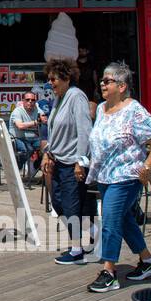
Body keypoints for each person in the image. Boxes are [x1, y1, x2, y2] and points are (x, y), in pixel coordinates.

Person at [77, 63, 151, 293]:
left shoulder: (133, 110)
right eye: (102, 81)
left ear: (122, 86)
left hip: (126, 176)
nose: (102, 84)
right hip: (105, 176)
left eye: (107, 81)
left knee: (110, 219)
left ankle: (109, 272)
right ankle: (149, 262)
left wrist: (148, 166)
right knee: (125, 219)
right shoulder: (101, 109)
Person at [41, 58, 94, 264]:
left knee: (71, 206)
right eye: (49, 79)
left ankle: (76, 249)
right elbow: (53, 129)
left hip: (72, 162)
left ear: (66, 78)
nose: (51, 83)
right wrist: (48, 152)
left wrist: (81, 161)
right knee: (58, 203)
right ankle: (93, 234)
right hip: (58, 160)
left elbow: (84, 130)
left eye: (54, 79)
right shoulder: (59, 98)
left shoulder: (76, 96)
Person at [8, 91, 45, 182]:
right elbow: (20, 125)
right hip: (17, 138)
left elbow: (44, 119)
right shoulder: (17, 111)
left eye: (32, 100)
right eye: (27, 100)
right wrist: (35, 122)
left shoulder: (37, 108)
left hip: (33, 137)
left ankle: (35, 167)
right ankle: (17, 169)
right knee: (27, 150)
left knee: (46, 147)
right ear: (23, 101)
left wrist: (43, 118)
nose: (30, 102)